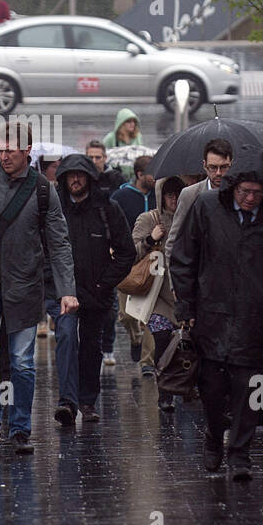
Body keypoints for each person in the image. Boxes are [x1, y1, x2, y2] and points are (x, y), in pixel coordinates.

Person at [170, 147, 263, 480]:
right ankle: (214, 436)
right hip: (211, 314)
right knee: (212, 387)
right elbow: (184, 257)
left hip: (255, 316)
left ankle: (240, 453)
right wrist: (186, 306)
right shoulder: (206, 207)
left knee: (246, 388)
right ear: (233, 187)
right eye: (244, 191)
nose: (250, 198)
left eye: (257, 193)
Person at [0, 121, 77, 455]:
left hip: (24, 287)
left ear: (27, 150)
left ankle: (21, 428)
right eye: (0, 149)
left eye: (10, 150)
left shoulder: (42, 189)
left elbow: (59, 244)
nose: (4, 156)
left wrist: (67, 289)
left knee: (23, 362)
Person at [48, 154, 135, 425]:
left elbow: (126, 253)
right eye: (70, 175)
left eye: (80, 174)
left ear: (89, 178)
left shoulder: (106, 209)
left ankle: (87, 401)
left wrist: (103, 283)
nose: (75, 179)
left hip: (96, 293)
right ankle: (67, 401)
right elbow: (41, 249)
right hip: (63, 292)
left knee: (90, 346)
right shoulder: (54, 209)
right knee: (66, 338)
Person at [130, 175, 185, 389]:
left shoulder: (191, 217)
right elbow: (130, 254)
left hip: (182, 293)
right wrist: (151, 239)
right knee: (161, 338)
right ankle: (165, 391)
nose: (174, 199)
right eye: (169, 194)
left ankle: (183, 384)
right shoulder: (149, 219)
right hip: (156, 295)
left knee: (182, 343)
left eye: (178, 194)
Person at [110, 154, 156, 364]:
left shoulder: (159, 195)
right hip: (127, 259)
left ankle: (148, 362)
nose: (155, 178)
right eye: (151, 174)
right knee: (126, 315)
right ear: (140, 175)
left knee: (151, 313)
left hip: (154, 260)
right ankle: (136, 339)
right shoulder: (121, 197)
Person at [84, 140, 127, 366]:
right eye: (90, 157)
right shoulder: (81, 181)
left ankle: (108, 345)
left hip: (110, 247)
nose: (94, 162)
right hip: (87, 249)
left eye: (97, 157)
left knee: (109, 305)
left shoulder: (115, 180)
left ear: (105, 159)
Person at [164, 138, 233, 267]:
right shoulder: (190, 195)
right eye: (213, 167)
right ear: (204, 166)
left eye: (224, 167)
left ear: (231, 165)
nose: (218, 173)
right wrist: (177, 284)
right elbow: (173, 243)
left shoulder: (239, 195)